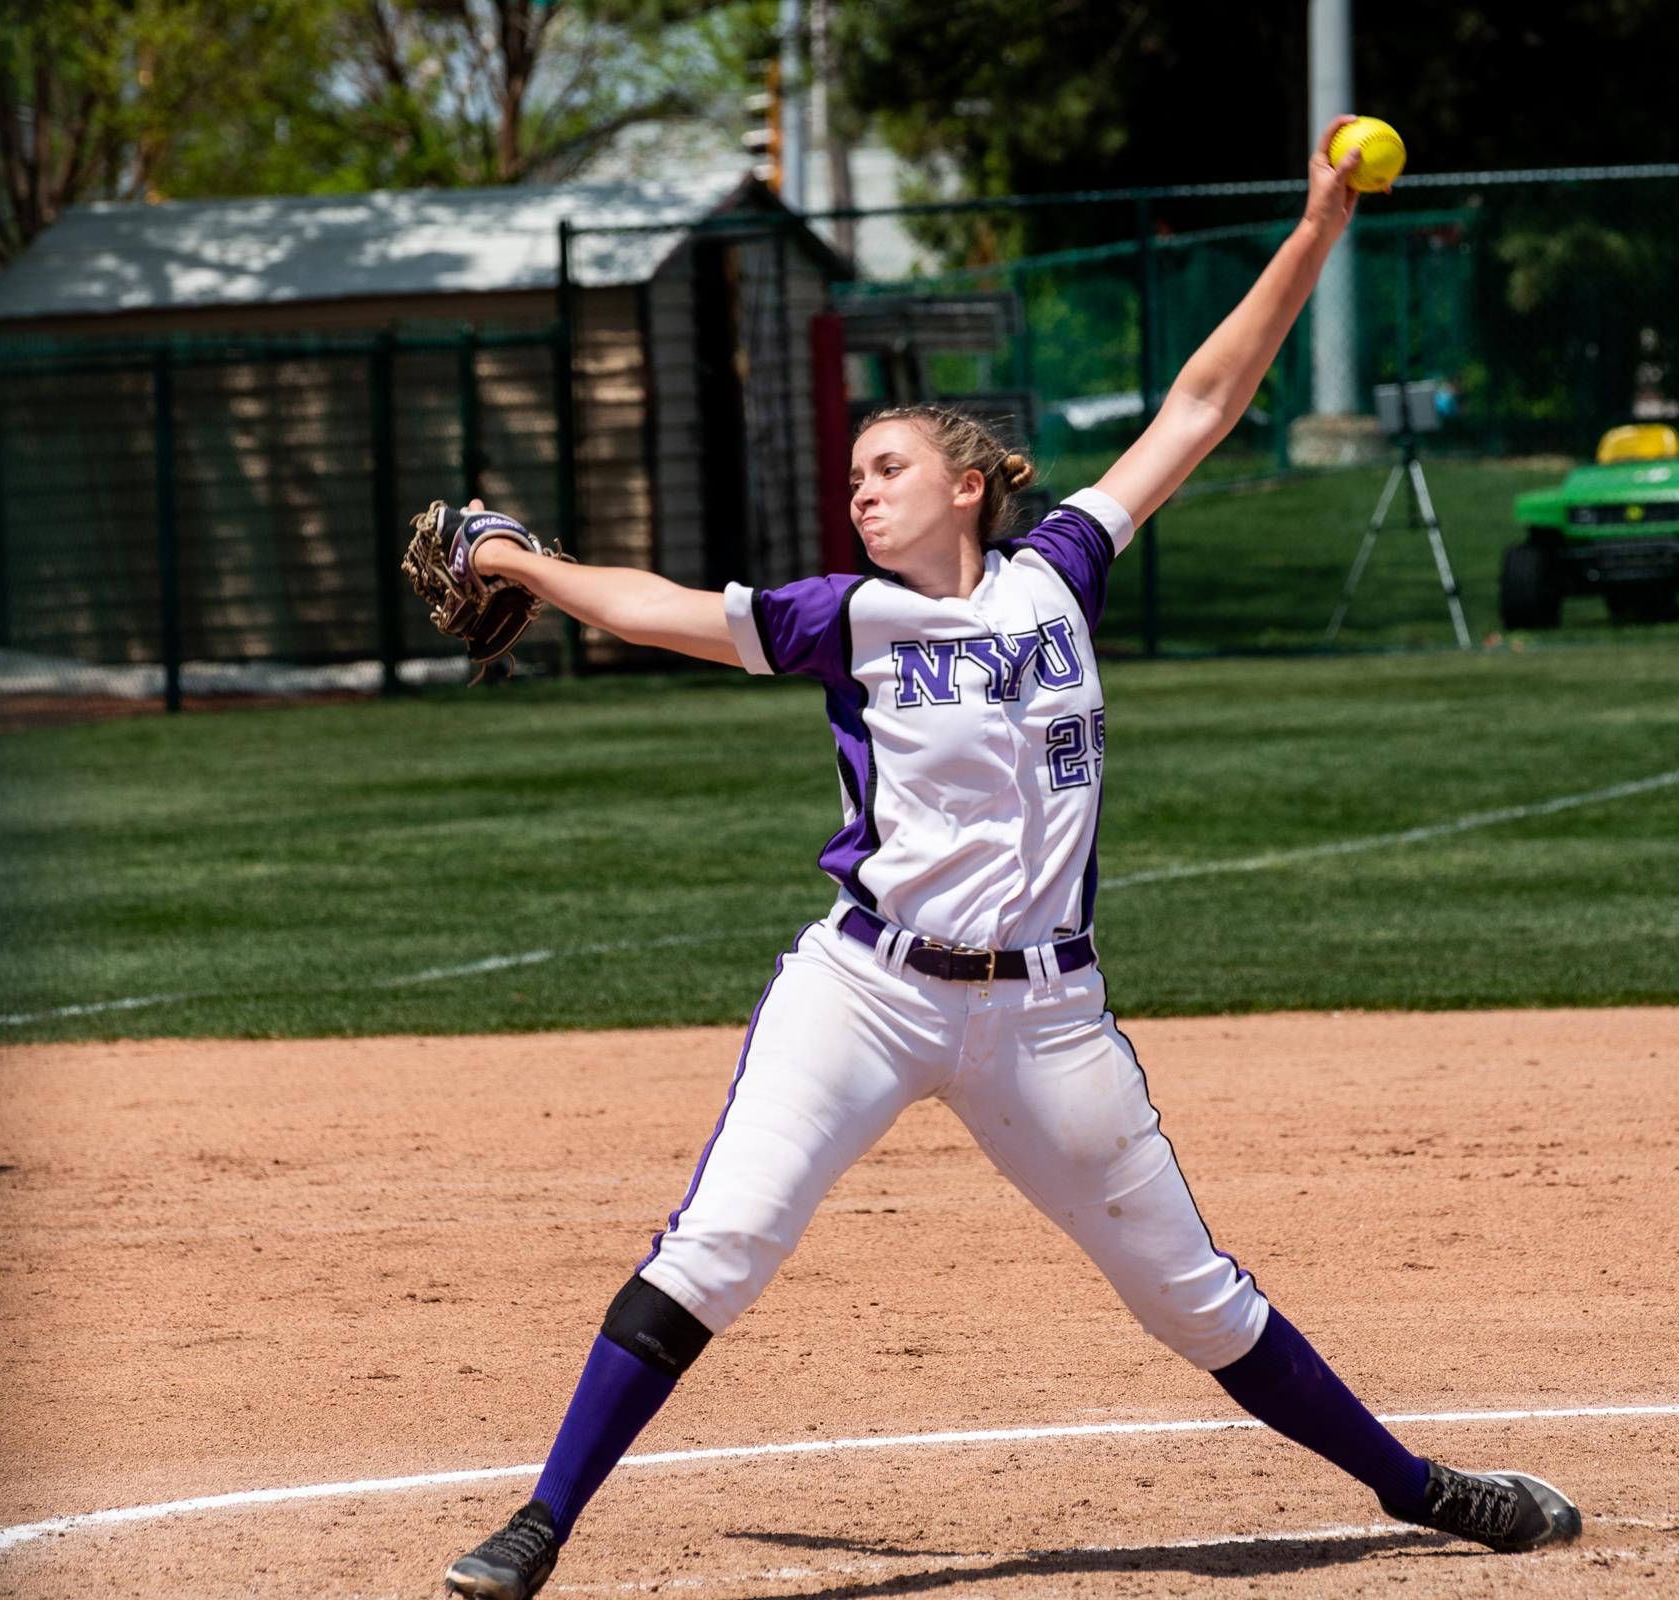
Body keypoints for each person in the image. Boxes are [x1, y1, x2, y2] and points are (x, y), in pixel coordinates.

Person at [431, 120, 1582, 1600]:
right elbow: (657, 608)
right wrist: (519, 561)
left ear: (970, 487)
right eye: (854, 472)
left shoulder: (1064, 572)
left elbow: (1205, 400)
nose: (862, 488)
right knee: (721, 1243)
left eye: (891, 466)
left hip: (1047, 1017)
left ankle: (1422, 1489)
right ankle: (539, 1529)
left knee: (1190, 1295)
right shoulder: (845, 616)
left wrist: (1314, 233)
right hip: (868, 992)